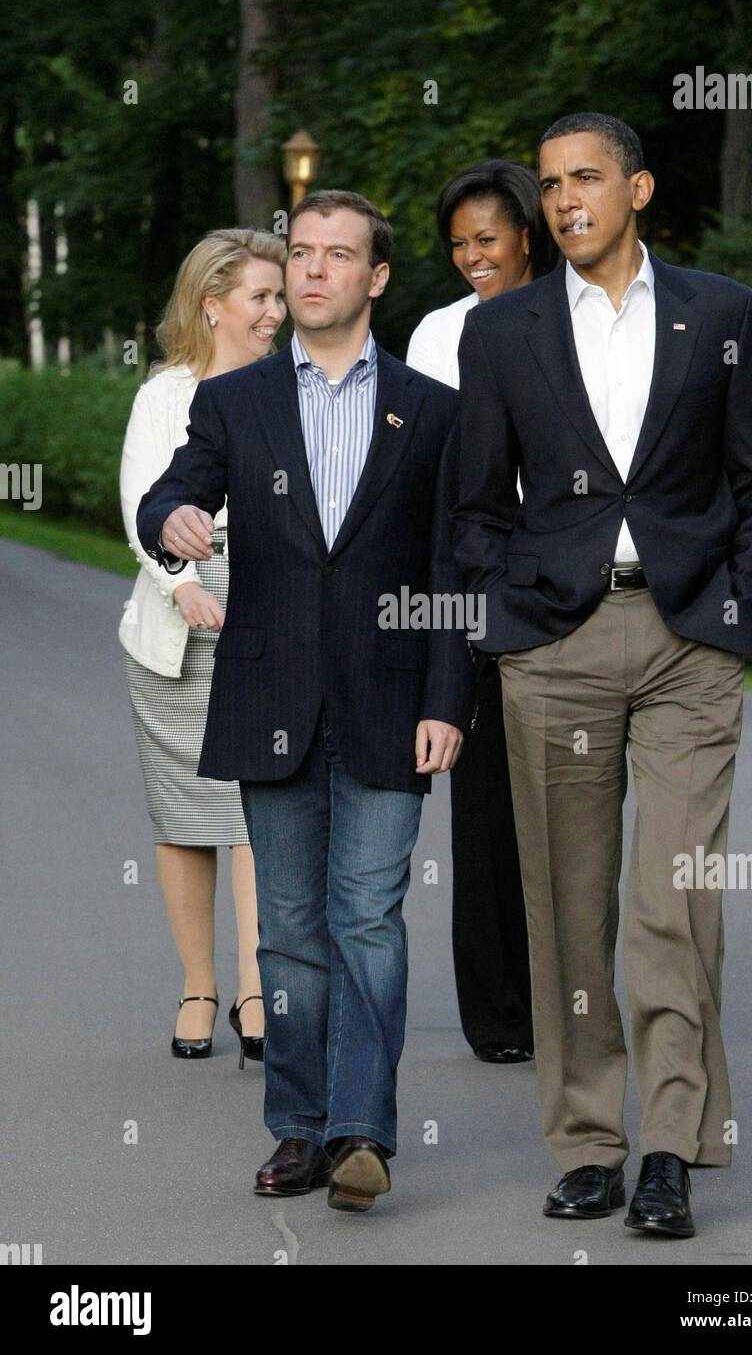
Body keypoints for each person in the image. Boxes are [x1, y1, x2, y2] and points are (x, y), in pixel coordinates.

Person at [452, 113, 752, 1236]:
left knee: (674, 903)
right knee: (564, 907)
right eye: (550, 184)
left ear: (638, 188)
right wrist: (512, 623)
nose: (563, 201)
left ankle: (670, 1148)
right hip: (556, 649)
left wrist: (739, 613)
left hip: (689, 641)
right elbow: (472, 505)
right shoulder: (501, 333)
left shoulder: (720, 314)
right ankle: (590, 1142)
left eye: (586, 178)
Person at [136, 190, 473, 1213]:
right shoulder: (235, 403)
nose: (315, 269)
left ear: (375, 279)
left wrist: (448, 700)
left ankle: (362, 1130)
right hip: (269, 694)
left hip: (390, 700)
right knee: (285, 928)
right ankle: (297, 1127)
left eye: (339, 255)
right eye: (304, 252)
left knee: (366, 915)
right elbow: (169, 493)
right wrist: (177, 517)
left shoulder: (433, 410)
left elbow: (454, 564)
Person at [119, 228, 287, 1066]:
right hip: (175, 622)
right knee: (187, 819)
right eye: (258, 296)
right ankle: (198, 986)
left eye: (278, 296)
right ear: (212, 303)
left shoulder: (292, 389)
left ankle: (258, 988)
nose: (274, 312)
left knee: (259, 812)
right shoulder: (163, 396)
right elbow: (141, 504)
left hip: (268, 618)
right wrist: (179, 581)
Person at [407, 160, 557, 1066]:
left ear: (527, 235)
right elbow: (429, 479)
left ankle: (569, 998)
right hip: (477, 581)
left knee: (570, 813)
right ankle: (499, 1012)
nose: (471, 257)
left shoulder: (579, 320)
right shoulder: (438, 333)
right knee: (488, 804)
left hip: (568, 580)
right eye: (457, 243)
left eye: (487, 239)